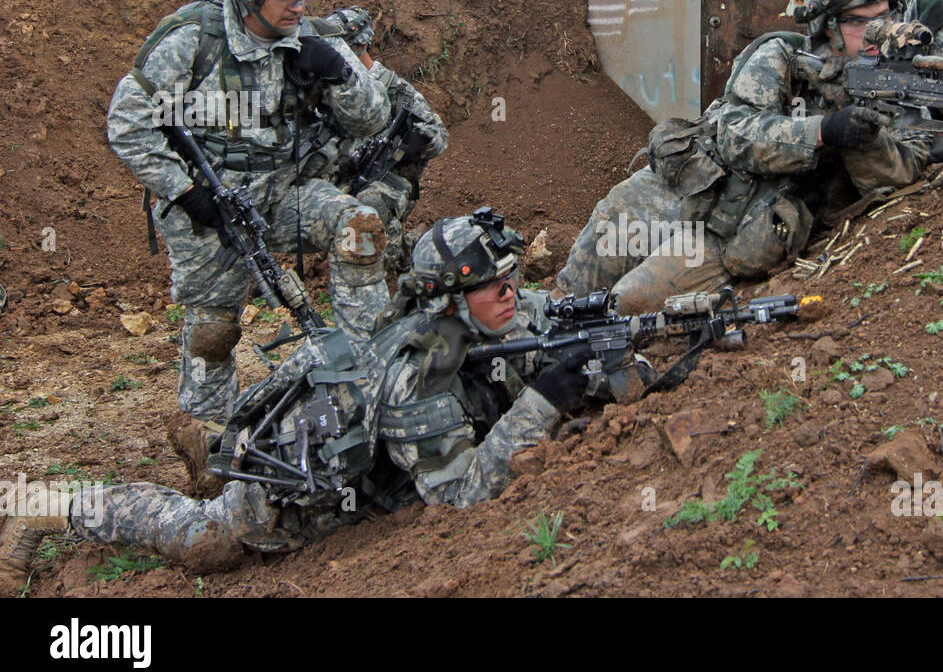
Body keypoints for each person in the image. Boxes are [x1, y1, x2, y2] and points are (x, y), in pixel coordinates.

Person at [0, 211, 594, 587]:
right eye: (494, 284)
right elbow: (460, 497)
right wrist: (542, 404)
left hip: (364, 461)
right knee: (207, 542)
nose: (513, 292)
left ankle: (208, 448)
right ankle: (47, 505)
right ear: (450, 301)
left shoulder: (495, 315)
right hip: (295, 492)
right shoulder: (419, 375)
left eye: (514, 275)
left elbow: (552, 322)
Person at [106, 0, 392, 429]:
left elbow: (373, 119)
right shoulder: (193, 41)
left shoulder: (313, 39)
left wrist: (337, 72)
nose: (298, 7)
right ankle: (211, 437)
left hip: (284, 193)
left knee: (360, 231)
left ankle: (372, 377)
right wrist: (187, 193)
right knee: (214, 331)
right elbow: (128, 127)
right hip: (208, 205)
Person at [554, 0, 931, 313]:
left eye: (885, 18)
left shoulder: (898, 81)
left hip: (740, 225)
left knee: (628, 302)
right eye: (859, 23)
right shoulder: (783, 56)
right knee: (584, 272)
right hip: (693, 182)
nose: (875, 34)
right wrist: (824, 130)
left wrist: (866, 136)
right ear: (827, 25)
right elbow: (737, 135)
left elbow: (897, 177)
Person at [312, 6, 448, 275]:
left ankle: (410, 250)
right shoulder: (328, 89)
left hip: (387, 183)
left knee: (371, 207)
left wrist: (418, 143)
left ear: (360, 44)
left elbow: (438, 136)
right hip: (341, 177)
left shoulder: (394, 90)